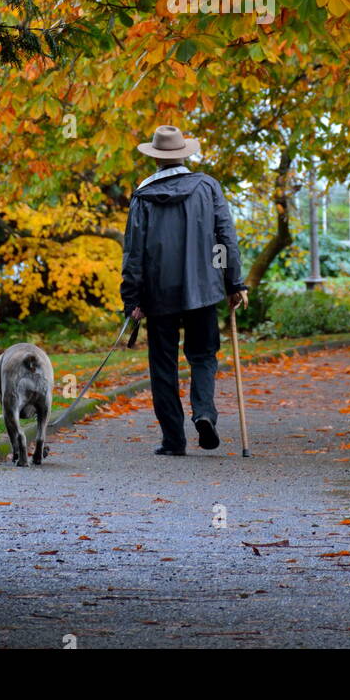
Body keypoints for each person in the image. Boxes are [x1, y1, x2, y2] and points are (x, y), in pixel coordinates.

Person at [120, 125, 248, 455]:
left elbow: (133, 252)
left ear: (156, 159)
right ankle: (204, 412)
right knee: (203, 356)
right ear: (184, 154)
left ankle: (173, 440)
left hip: (158, 293)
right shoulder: (207, 187)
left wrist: (132, 297)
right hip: (204, 289)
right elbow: (226, 238)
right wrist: (234, 282)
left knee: (163, 365)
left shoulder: (142, 196)